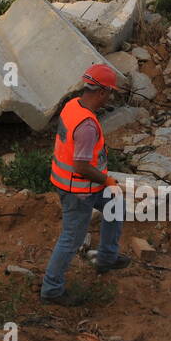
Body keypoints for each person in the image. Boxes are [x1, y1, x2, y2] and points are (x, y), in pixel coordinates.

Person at [40, 64, 130, 307]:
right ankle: (52, 289)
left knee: (115, 203)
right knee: (71, 238)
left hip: (77, 184)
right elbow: (81, 166)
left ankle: (106, 258)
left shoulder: (73, 106)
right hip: (77, 190)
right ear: (101, 92)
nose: (109, 97)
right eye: (109, 92)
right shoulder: (87, 126)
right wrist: (109, 180)